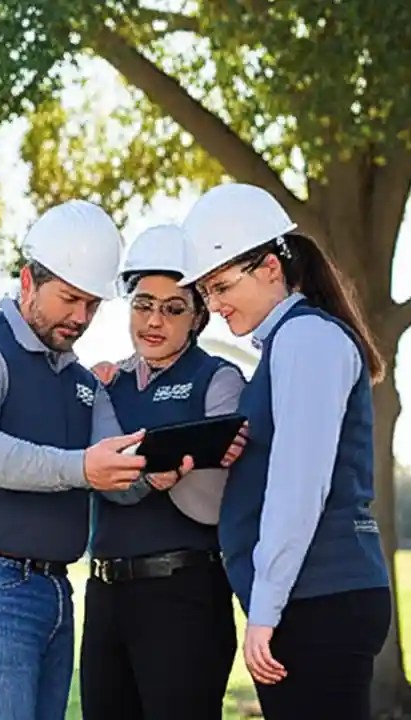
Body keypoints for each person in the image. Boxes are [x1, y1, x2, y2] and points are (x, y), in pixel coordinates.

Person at [0, 200, 191, 719]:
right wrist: (81, 468)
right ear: (28, 281)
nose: (81, 318)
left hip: (53, 591)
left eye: (92, 305)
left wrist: (154, 472)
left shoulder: (85, 383)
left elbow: (114, 476)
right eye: (69, 299)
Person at [178, 182, 392, 719]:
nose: (215, 305)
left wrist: (266, 610)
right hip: (317, 596)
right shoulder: (289, 343)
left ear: (271, 267)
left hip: (319, 598)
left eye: (222, 285)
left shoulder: (305, 340)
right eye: (205, 293)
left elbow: (299, 488)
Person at [80, 224, 246, 720]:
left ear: (198, 317)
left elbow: (219, 498)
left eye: (173, 309)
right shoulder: (104, 384)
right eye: (143, 304)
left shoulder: (218, 379)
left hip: (183, 596)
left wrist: (162, 474)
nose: (154, 320)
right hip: (105, 595)